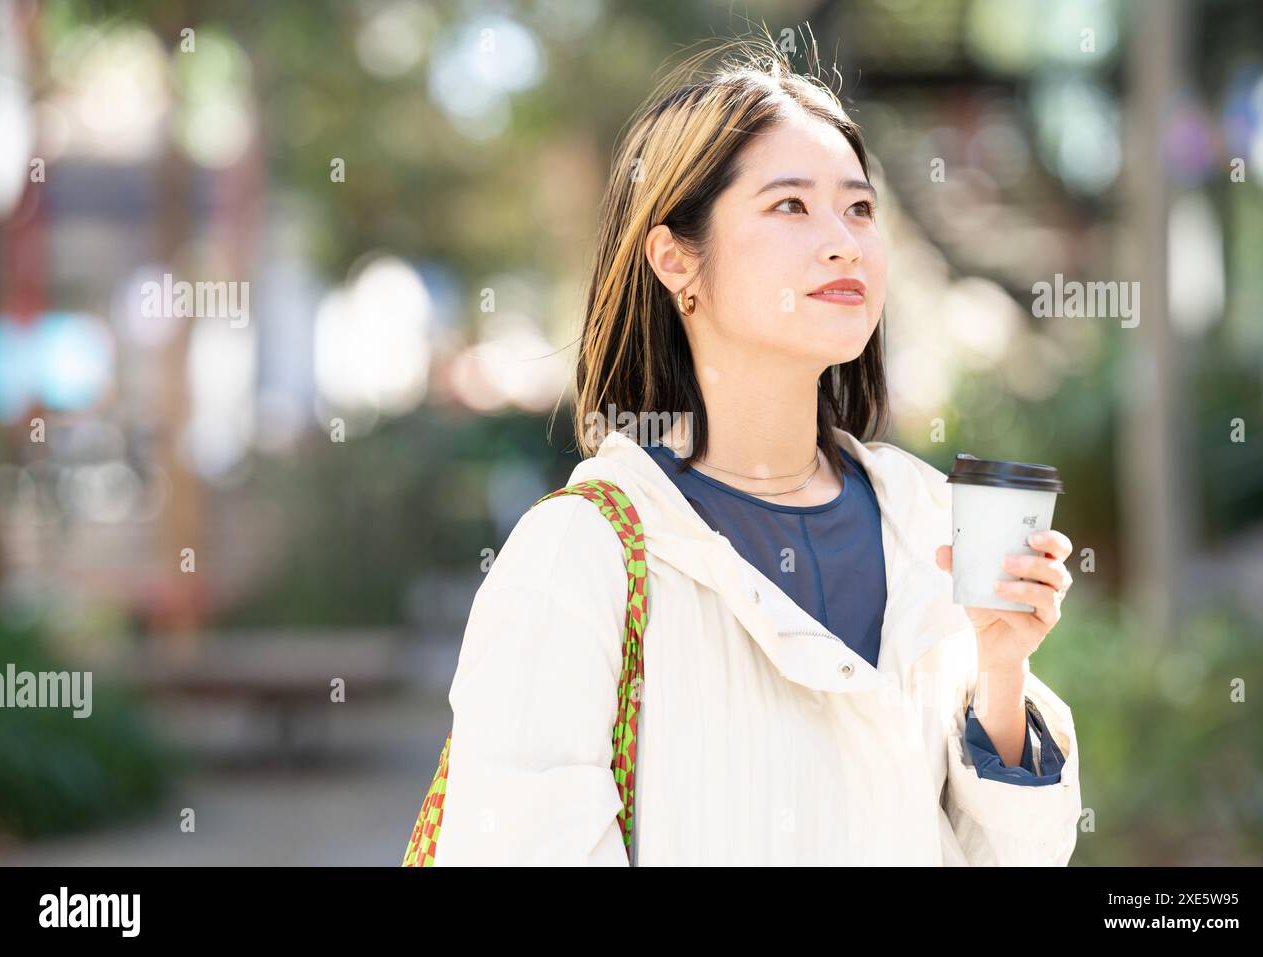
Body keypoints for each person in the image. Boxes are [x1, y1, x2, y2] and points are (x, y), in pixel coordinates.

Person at [425, 32, 1081, 866]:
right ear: (675, 259)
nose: (843, 239)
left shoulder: (929, 523)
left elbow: (1014, 857)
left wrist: (1001, 671)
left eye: (860, 207)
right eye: (790, 206)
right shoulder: (581, 556)